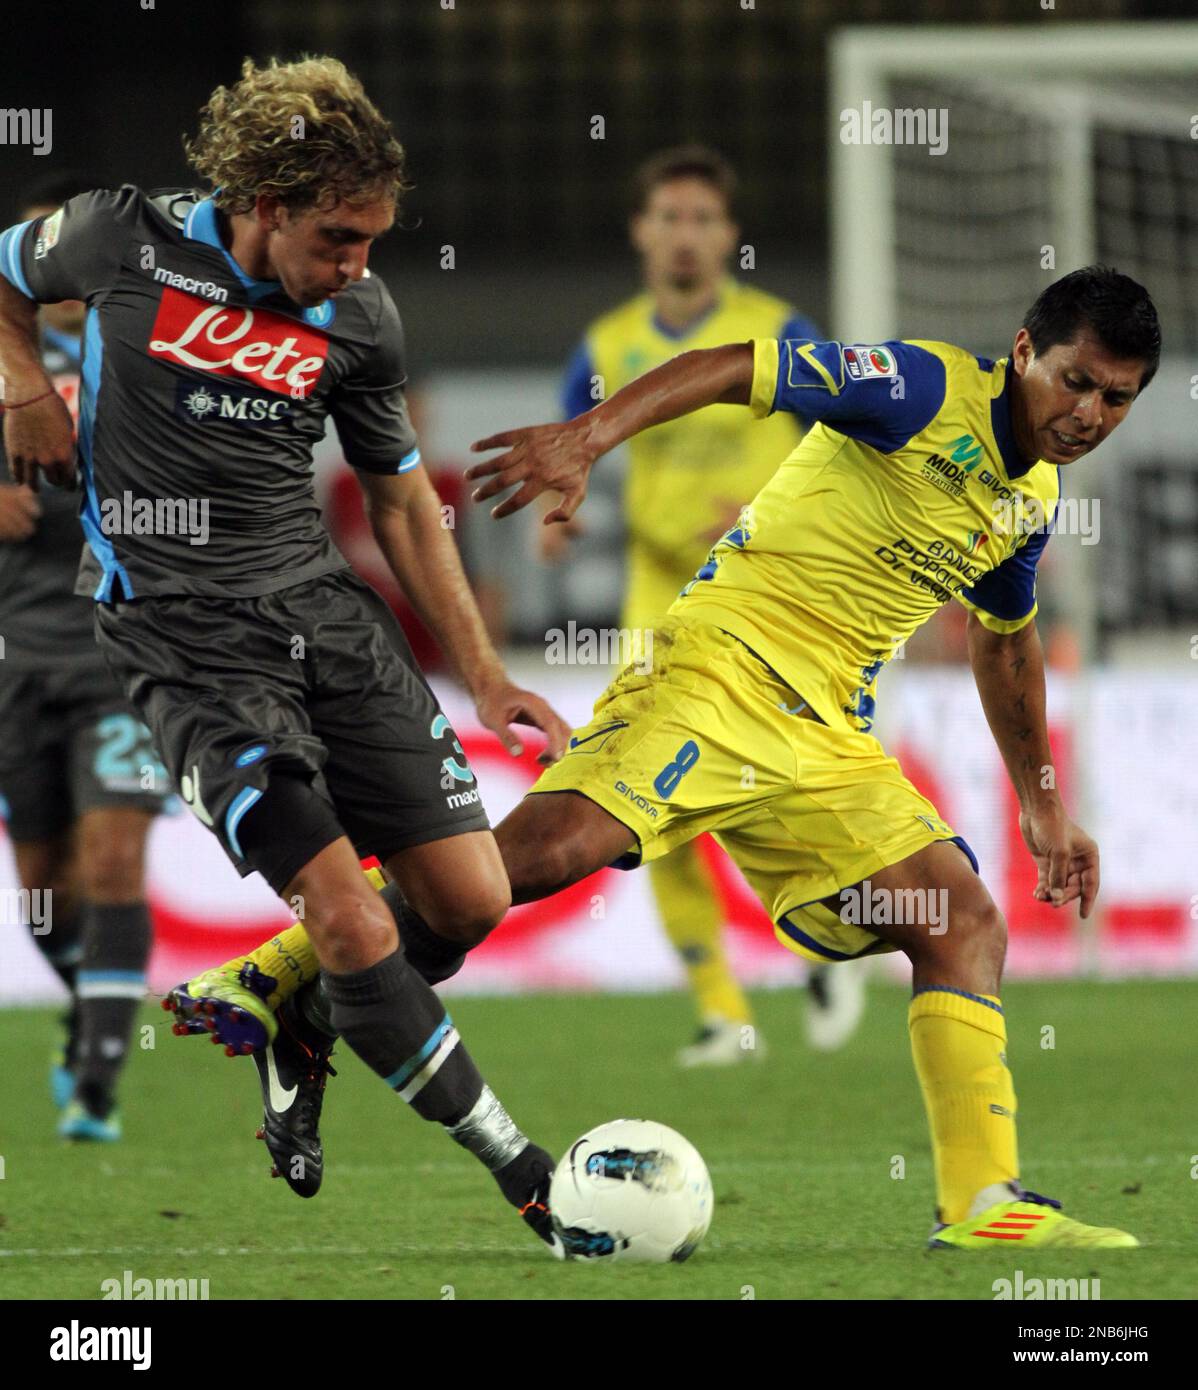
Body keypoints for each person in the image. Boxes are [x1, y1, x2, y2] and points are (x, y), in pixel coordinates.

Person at [181, 266, 1158, 1250]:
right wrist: (586, 438)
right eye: (1075, 380)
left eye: (1116, 399)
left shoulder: (1029, 499)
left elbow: (1004, 641)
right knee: (515, 869)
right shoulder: (917, 387)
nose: (1088, 413)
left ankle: (984, 1205)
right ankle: (279, 974)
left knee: (957, 919)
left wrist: (1041, 806)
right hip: (716, 671)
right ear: (1026, 351)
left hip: (820, 738)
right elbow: (733, 367)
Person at [0, 56, 572, 1251]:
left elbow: (406, 502)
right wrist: (21, 393)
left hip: (323, 613)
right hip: (182, 636)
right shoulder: (118, 238)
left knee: (467, 899)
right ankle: (530, 1175)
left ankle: (300, 1012)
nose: (356, 262)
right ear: (265, 202)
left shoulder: (360, 315)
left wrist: (488, 677)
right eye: (337, 236)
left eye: (372, 238)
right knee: (352, 919)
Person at [552, 145, 862, 1063]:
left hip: (771, 589)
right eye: (669, 217)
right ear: (642, 231)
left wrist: (784, 512)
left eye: (703, 218)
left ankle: (833, 933)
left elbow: (860, 441)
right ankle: (724, 1011)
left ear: (729, 235)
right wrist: (553, 516)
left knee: (770, 780)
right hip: (657, 594)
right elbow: (574, 445)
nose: (686, 235)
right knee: (636, 794)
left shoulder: (780, 328)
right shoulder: (608, 347)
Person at [0, 173, 172, 1142]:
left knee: (114, 857)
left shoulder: (146, 350)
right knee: (41, 889)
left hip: (118, 646)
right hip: (15, 660)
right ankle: (89, 1008)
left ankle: (99, 1079)